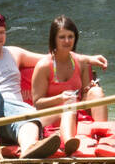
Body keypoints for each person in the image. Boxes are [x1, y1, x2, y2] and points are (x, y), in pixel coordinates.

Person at [0, 12, 106, 162]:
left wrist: (89, 59)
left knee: (30, 118)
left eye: (2, 32)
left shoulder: (14, 53)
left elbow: (54, 58)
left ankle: (28, 149)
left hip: (16, 113)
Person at [31, 15, 109, 151]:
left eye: (70, 36)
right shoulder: (44, 66)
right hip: (52, 116)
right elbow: (37, 103)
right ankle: (68, 142)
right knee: (68, 105)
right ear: (54, 39)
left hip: (76, 112)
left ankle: (102, 141)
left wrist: (88, 90)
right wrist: (60, 98)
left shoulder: (81, 62)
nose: (67, 41)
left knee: (97, 92)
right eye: (62, 37)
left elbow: (84, 99)